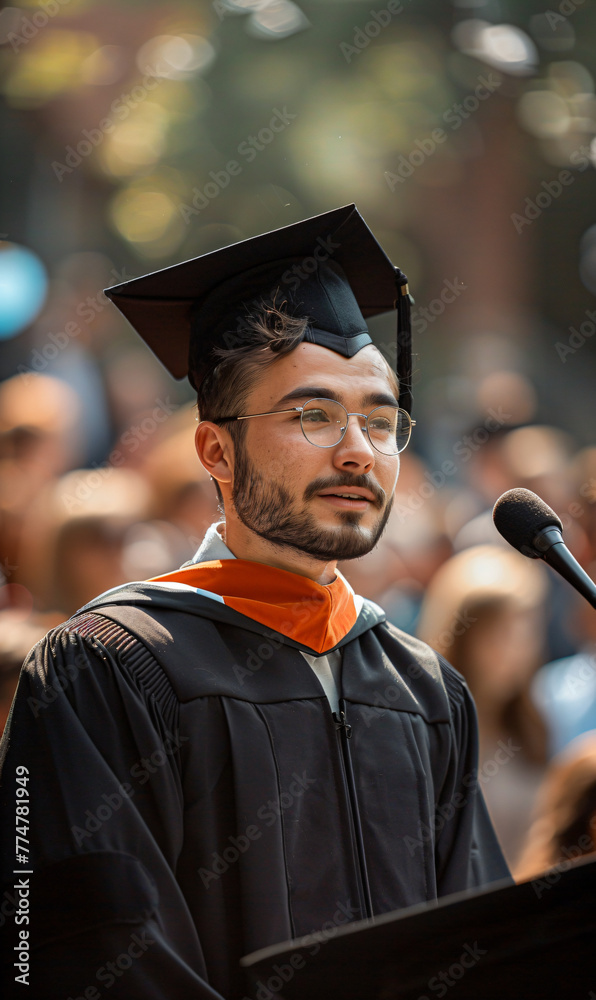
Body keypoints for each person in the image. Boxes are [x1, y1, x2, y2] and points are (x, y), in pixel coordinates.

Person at [0, 205, 509, 1000]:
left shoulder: (427, 692)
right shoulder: (106, 668)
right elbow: (82, 953)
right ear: (215, 450)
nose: (357, 450)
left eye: (380, 421)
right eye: (314, 414)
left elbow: (487, 951)